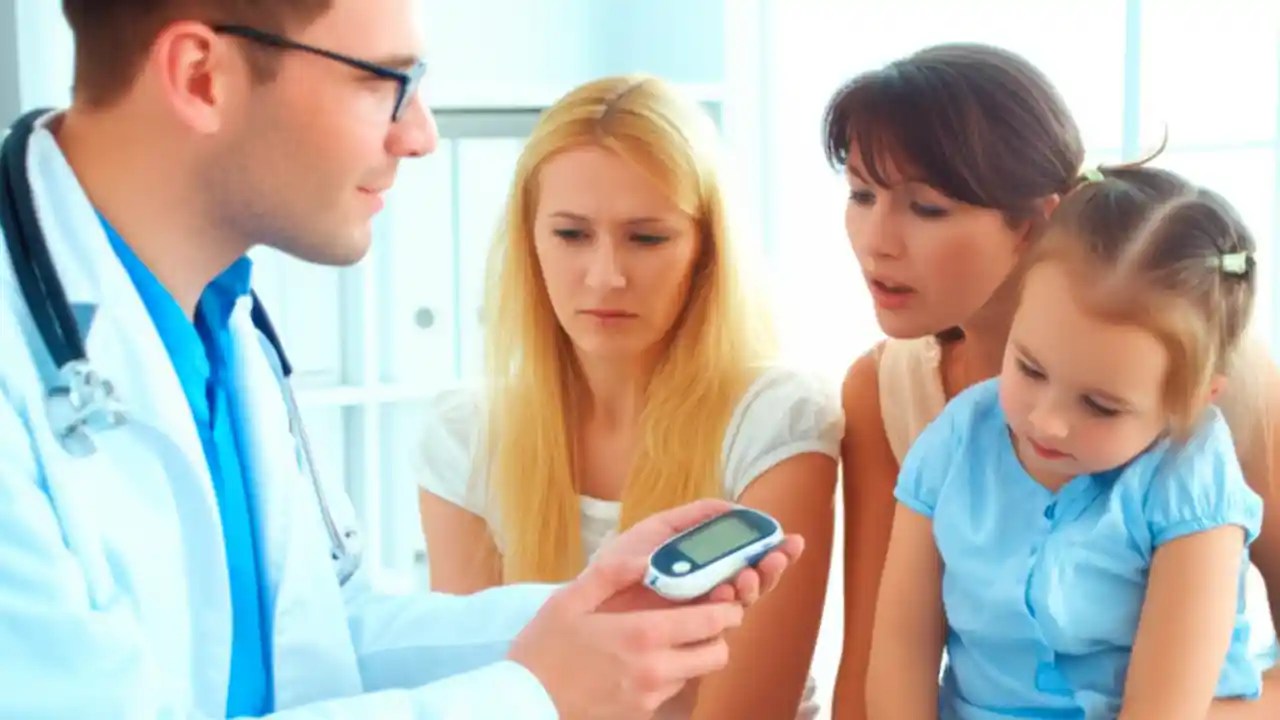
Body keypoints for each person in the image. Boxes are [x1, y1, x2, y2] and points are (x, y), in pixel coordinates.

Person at [0, 2, 805, 718]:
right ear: (202, 77)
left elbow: (326, 634)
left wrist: (586, 611)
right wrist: (533, 696)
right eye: (383, 79)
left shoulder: (222, 327)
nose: (420, 134)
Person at [826, 43, 1280, 719]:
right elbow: (877, 661)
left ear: (1039, 221)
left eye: (925, 208)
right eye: (861, 193)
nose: (875, 241)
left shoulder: (1218, 398)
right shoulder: (896, 395)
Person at [417, 74, 842, 719]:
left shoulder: (775, 420)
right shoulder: (464, 434)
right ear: (529, 242)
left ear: (706, 250)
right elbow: (476, 694)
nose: (606, 276)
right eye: (571, 235)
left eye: (647, 238)